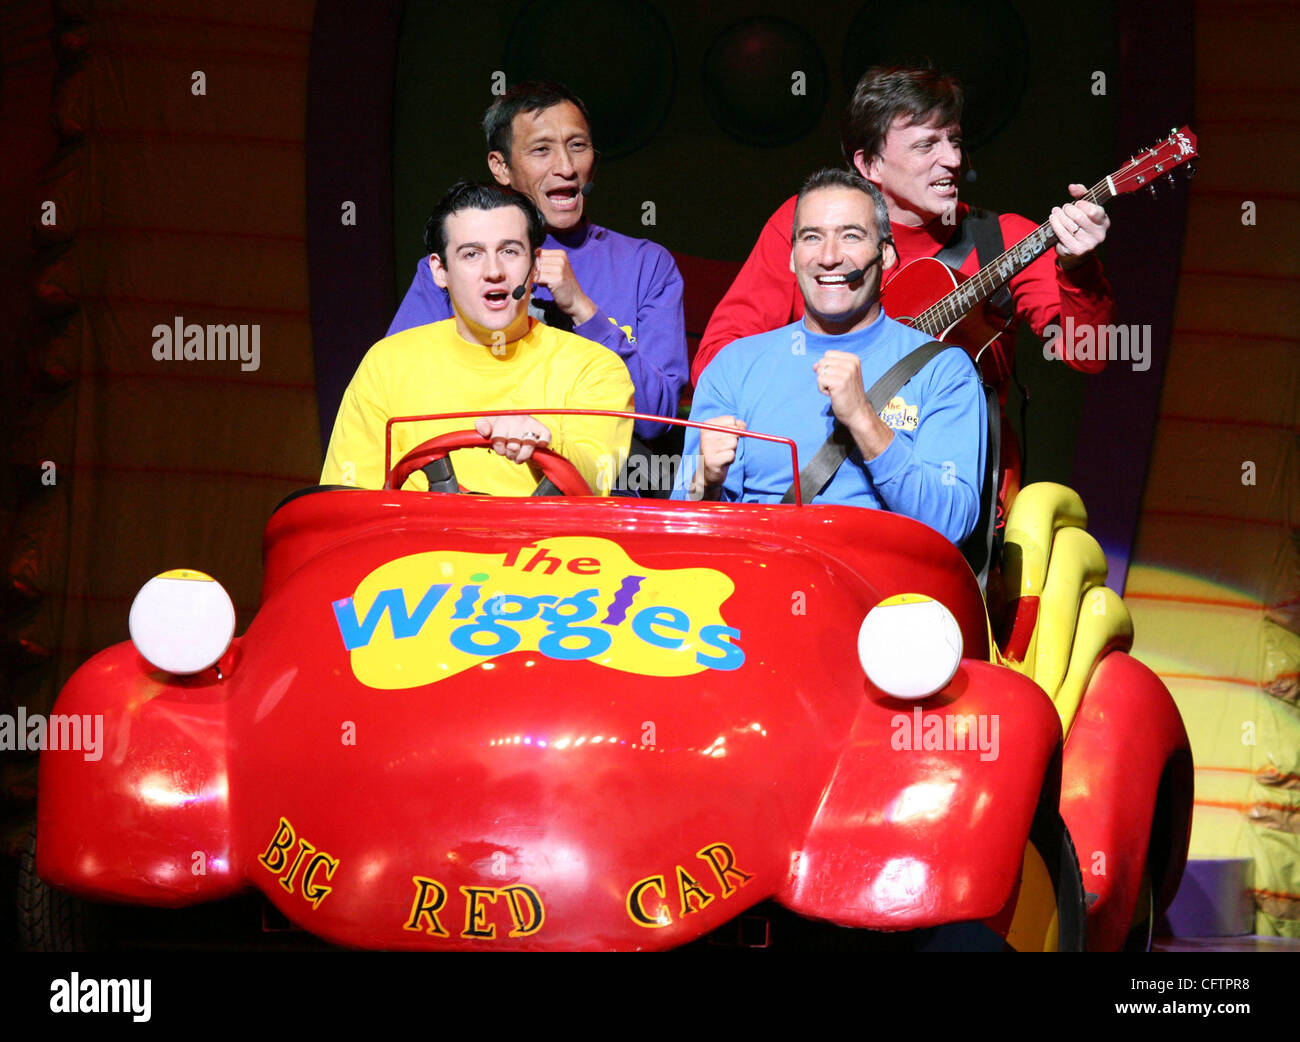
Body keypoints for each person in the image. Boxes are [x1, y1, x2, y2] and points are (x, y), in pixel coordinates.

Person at [692, 65, 1116, 395]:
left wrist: (1079, 268)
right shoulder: (808, 223)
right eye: (927, 145)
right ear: (870, 164)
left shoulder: (1004, 239)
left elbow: (1091, 356)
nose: (952, 160)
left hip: (962, 481)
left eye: (954, 140)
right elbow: (714, 364)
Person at [673, 170, 986, 548]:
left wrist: (864, 420)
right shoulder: (734, 366)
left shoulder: (944, 370)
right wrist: (704, 481)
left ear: (886, 254)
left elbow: (950, 524)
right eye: (811, 238)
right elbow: (688, 531)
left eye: (851, 236)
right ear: (792, 258)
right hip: (758, 580)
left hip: (884, 595)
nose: (829, 257)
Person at [389, 81, 687, 445]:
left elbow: (657, 418)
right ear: (501, 167)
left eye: (577, 146)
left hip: (598, 491)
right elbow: (398, 394)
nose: (565, 166)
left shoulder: (647, 266)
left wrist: (583, 310)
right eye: (541, 149)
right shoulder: (454, 269)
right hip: (473, 479)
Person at [322, 181, 632, 495]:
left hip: (547, 542)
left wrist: (547, 442)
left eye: (509, 251)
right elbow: (346, 500)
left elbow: (595, 477)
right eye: (472, 254)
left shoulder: (595, 367)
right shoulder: (386, 363)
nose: (493, 271)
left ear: (535, 266)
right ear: (439, 271)